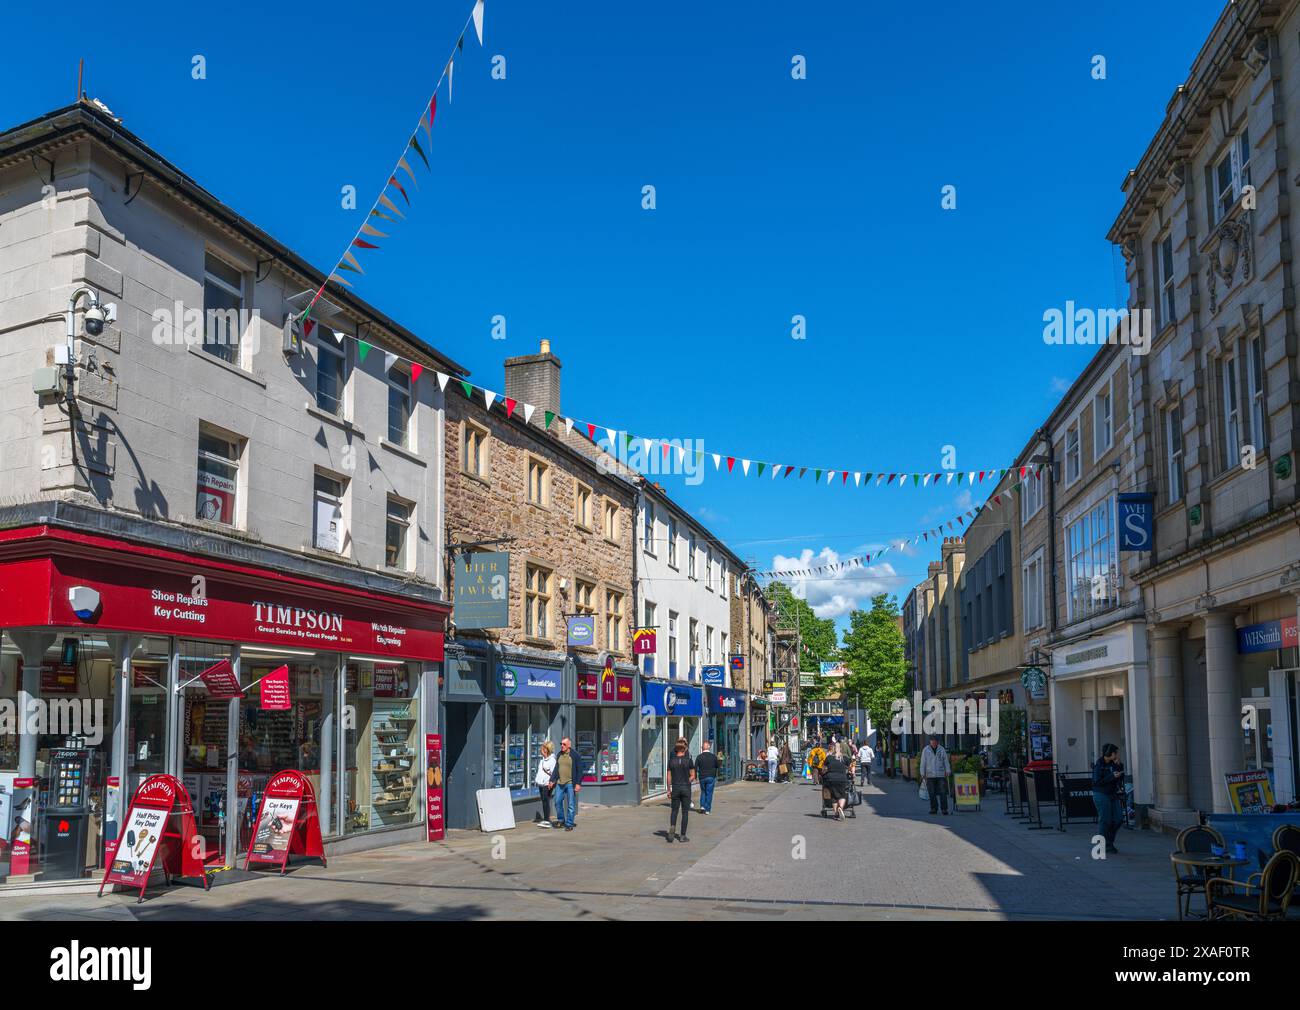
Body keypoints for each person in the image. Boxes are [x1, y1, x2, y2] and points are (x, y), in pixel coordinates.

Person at [1092, 743, 1125, 854]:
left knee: (1118, 819)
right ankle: (1103, 845)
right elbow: (1097, 781)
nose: (1117, 755)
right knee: (1105, 820)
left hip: (1112, 794)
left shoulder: (1113, 764)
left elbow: (1120, 777)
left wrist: (1120, 767)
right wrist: (1111, 776)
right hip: (1101, 794)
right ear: (1110, 753)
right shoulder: (1099, 765)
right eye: (1115, 752)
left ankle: (1109, 841)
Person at [548, 737, 583, 831]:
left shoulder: (575, 755)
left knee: (571, 804)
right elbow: (556, 769)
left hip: (571, 783)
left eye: (564, 744)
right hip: (560, 782)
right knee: (557, 801)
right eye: (561, 744)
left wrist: (578, 784)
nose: (562, 746)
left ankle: (569, 823)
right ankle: (561, 820)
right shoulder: (559, 754)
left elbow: (580, 770)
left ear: (569, 745)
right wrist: (552, 780)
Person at [667, 737, 695, 842]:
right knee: (685, 812)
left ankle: (673, 825)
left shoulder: (671, 762)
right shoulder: (689, 761)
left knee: (674, 810)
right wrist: (687, 781)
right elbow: (693, 775)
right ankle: (682, 836)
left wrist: (669, 789)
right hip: (685, 788)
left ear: (676, 750)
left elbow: (668, 777)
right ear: (684, 750)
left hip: (675, 787)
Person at [919, 734, 951, 815]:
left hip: (940, 774)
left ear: (938, 742)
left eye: (935, 741)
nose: (934, 743)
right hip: (930, 775)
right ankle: (934, 808)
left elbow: (946, 761)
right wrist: (922, 773)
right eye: (932, 741)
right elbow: (923, 763)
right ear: (930, 741)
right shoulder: (926, 750)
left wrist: (948, 770)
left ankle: (944, 809)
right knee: (931, 793)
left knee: (943, 792)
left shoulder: (942, 749)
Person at [822, 748, 851, 820]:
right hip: (842, 779)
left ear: (833, 751)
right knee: (842, 795)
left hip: (830, 779)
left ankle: (836, 814)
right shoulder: (844, 758)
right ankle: (840, 808)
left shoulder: (829, 758)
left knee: (833, 796)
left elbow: (824, 768)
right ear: (841, 751)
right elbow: (850, 766)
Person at [535, 741, 557, 827]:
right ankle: (546, 819)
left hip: (547, 784)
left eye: (543, 748)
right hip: (541, 784)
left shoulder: (552, 760)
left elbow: (554, 773)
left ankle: (547, 819)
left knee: (546, 800)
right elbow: (540, 772)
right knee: (544, 800)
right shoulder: (542, 760)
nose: (541, 749)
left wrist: (551, 782)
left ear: (547, 750)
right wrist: (537, 780)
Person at [695, 740, 719, 814]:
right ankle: (707, 810)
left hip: (702, 776)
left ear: (702, 748)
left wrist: (695, 777)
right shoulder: (713, 757)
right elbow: (717, 766)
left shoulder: (699, 757)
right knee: (709, 793)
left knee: (703, 792)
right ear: (709, 747)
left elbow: (695, 767)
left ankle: (702, 806)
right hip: (711, 776)